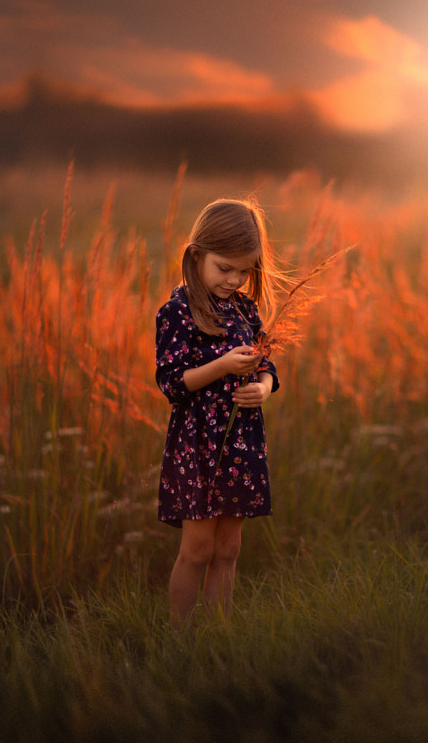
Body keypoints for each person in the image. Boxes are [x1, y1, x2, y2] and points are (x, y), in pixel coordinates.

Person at [155, 198, 280, 628]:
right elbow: (171, 381)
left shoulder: (246, 309)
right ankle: (180, 638)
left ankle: (217, 634)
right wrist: (223, 367)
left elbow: (267, 366)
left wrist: (262, 388)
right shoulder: (177, 311)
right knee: (198, 548)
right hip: (199, 446)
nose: (234, 279)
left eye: (244, 271)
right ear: (197, 256)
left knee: (228, 548)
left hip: (241, 444)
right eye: (224, 268)